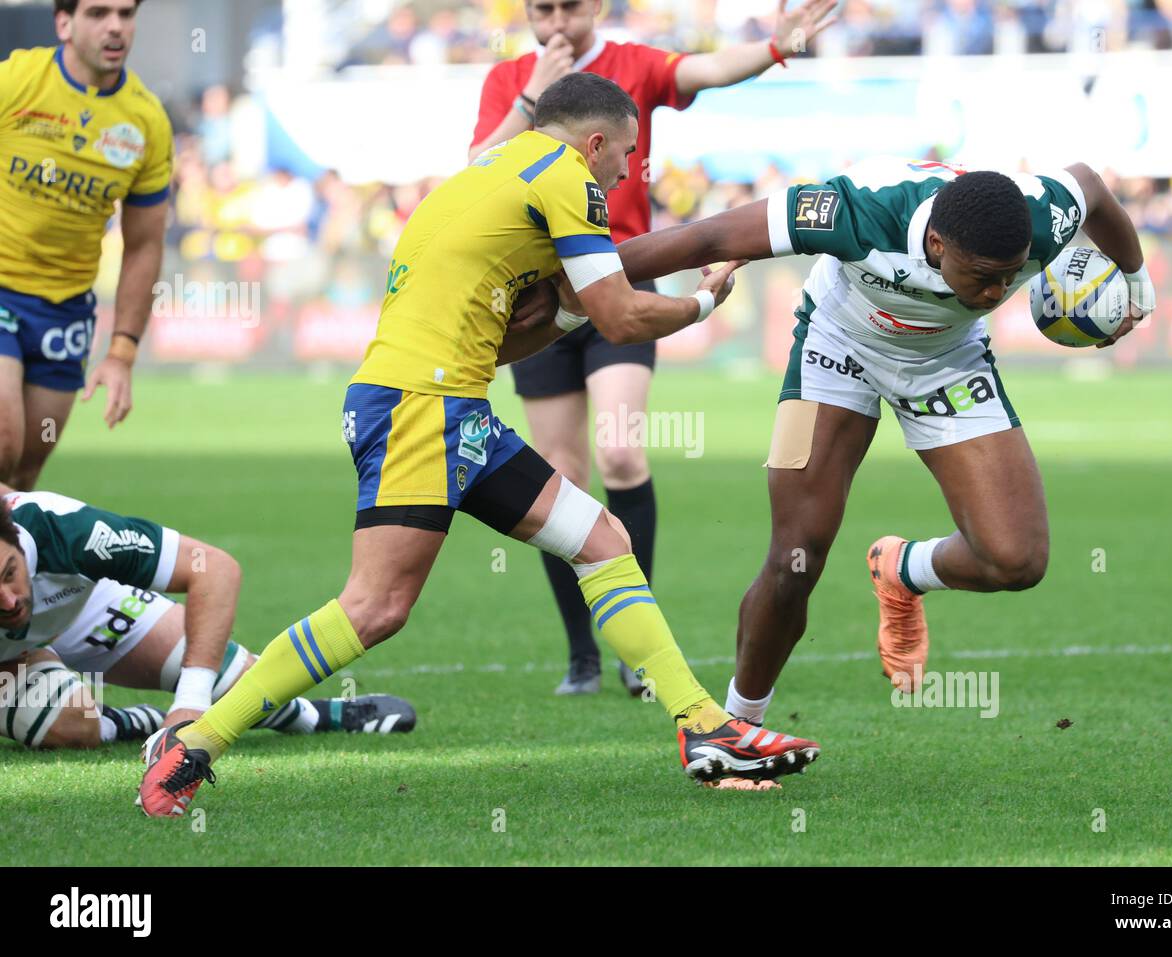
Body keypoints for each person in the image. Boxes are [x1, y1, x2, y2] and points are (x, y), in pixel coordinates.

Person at [138, 73, 820, 818]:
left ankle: (704, 727)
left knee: (601, 538)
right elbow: (620, 317)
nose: (627, 171)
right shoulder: (567, 176)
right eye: (624, 153)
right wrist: (703, 301)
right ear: (594, 143)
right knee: (374, 606)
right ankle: (194, 745)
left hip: (440, 403)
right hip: (421, 407)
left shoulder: (489, 174)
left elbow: (501, 340)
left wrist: (561, 313)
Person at [614, 156, 1156, 732]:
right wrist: (571, 278)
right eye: (983, 276)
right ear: (939, 243)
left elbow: (1092, 186)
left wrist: (1135, 277)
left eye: (1011, 274)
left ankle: (903, 569)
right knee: (795, 557)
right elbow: (708, 235)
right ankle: (735, 728)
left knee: (1016, 561)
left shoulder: (1043, 213)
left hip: (947, 363)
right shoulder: (858, 212)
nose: (998, 292)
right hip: (835, 347)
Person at [470, 0, 839, 696]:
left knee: (620, 450)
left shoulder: (631, 65)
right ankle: (581, 653)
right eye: (540, 9)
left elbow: (707, 67)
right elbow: (478, 169)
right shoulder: (511, 78)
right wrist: (530, 92)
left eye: (567, 8)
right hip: (540, 300)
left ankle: (637, 649)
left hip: (616, 282)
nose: (554, 21)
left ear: (595, 9)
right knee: (560, 473)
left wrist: (776, 46)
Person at [0, 487, 416, 751]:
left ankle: (316, 715)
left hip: (76, 604)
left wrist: (190, 705)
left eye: (9, 574)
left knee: (243, 685)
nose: (8, 600)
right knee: (73, 725)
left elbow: (211, 568)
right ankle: (126, 723)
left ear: (16, 538)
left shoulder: (61, 526)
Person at [0, 0, 171, 488]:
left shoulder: (146, 122)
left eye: (125, 13)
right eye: (98, 13)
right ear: (63, 23)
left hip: (66, 310)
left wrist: (121, 353)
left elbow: (143, 245)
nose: (115, 26)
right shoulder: (15, 82)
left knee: (24, 473)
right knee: (2, 441)